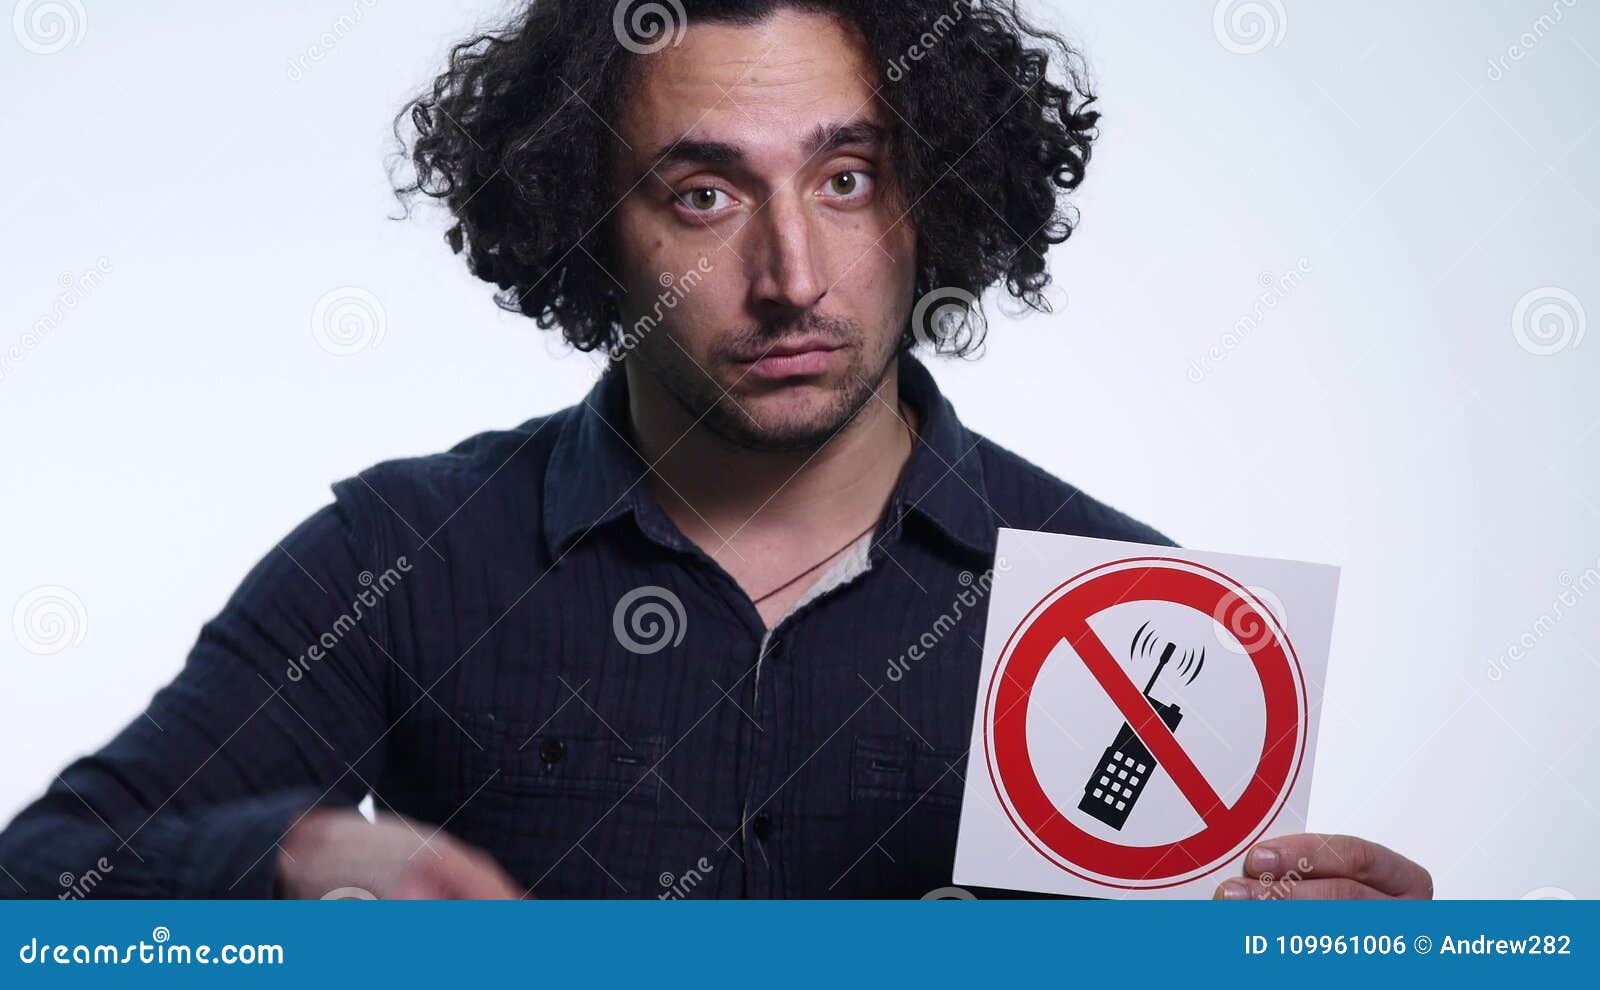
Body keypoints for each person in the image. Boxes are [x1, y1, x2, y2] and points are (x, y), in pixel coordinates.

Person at [0, 0, 1431, 900]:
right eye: (702, 194)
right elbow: (38, 896)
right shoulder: (405, 558)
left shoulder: (1134, 610)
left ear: (926, 198)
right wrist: (281, 860)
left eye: (847, 177)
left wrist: (1349, 961)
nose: (793, 273)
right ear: (585, 224)